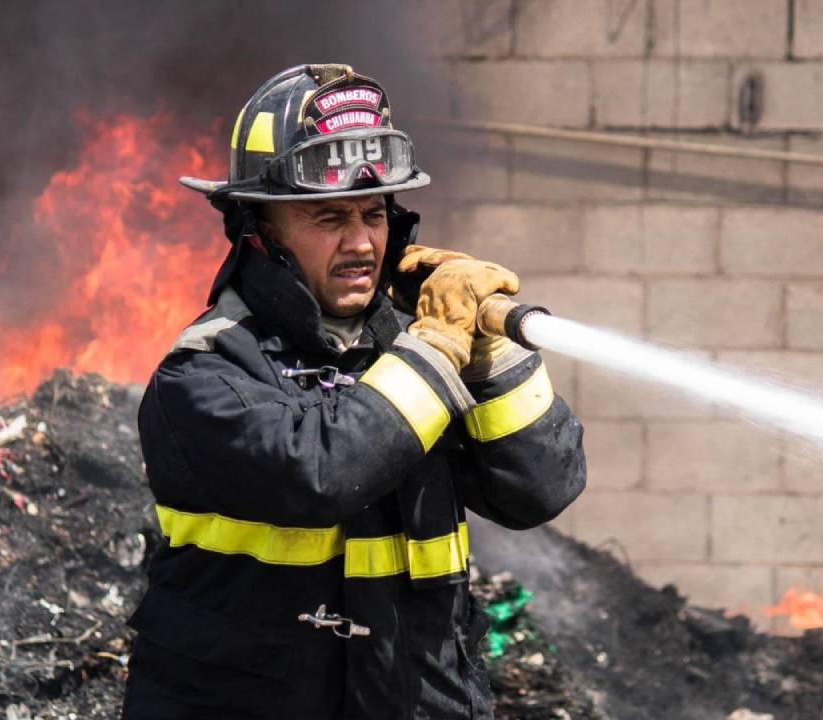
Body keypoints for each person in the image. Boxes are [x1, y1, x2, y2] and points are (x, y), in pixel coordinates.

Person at [121, 64, 586, 718]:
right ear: (261, 228)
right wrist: (437, 347)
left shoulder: (416, 347)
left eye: (374, 214)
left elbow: (540, 488)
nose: (362, 242)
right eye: (329, 217)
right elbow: (323, 471)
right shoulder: (204, 375)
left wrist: (489, 349)